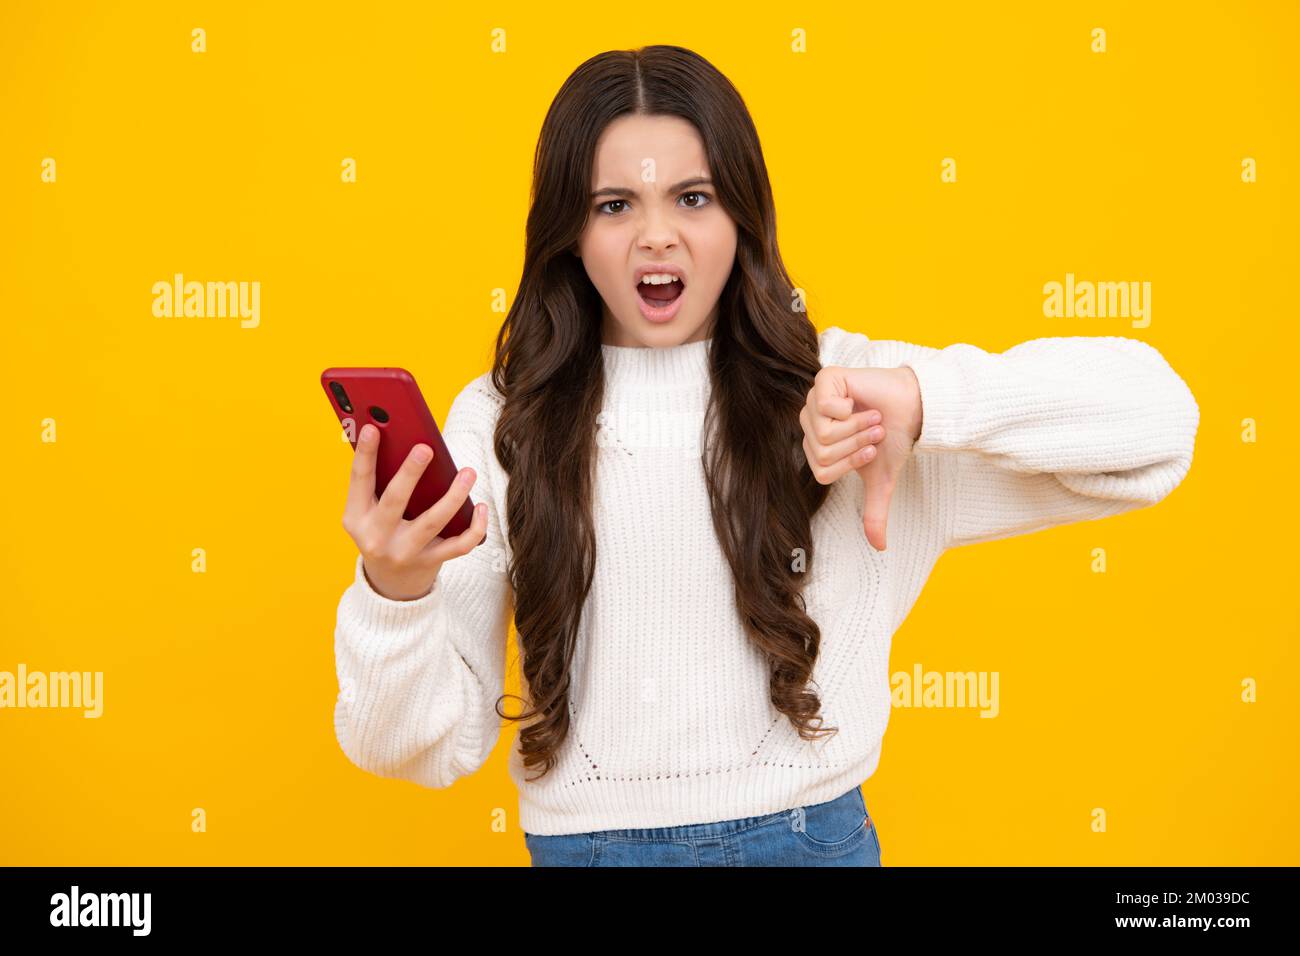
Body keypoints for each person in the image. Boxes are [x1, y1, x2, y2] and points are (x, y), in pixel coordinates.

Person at [331, 45, 1200, 867]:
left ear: (743, 217)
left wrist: (927, 399)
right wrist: (394, 595)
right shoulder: (502, 421)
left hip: (808, 840)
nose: (656, 236)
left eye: (694, 197)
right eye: (614, 205)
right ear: (570, 234)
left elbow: (1160, 428)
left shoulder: (850, 398)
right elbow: (423, 750)